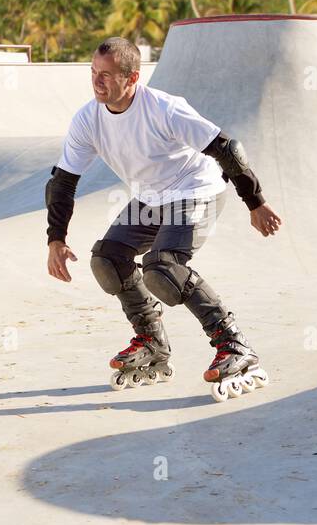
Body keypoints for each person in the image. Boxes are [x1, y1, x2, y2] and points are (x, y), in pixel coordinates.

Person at [44, 37, 282, 400]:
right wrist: (56, 239)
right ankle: (152, 342)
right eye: (93, 73)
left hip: (196, 189)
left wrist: (255, 202)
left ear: (132, 77)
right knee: (108, 259)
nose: (97, 82)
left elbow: (226, 148)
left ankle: (234, 345)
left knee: (163, 269)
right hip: (152, 198)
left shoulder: (163, 109)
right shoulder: (87, 119)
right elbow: (62, 183)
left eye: (107, 75)